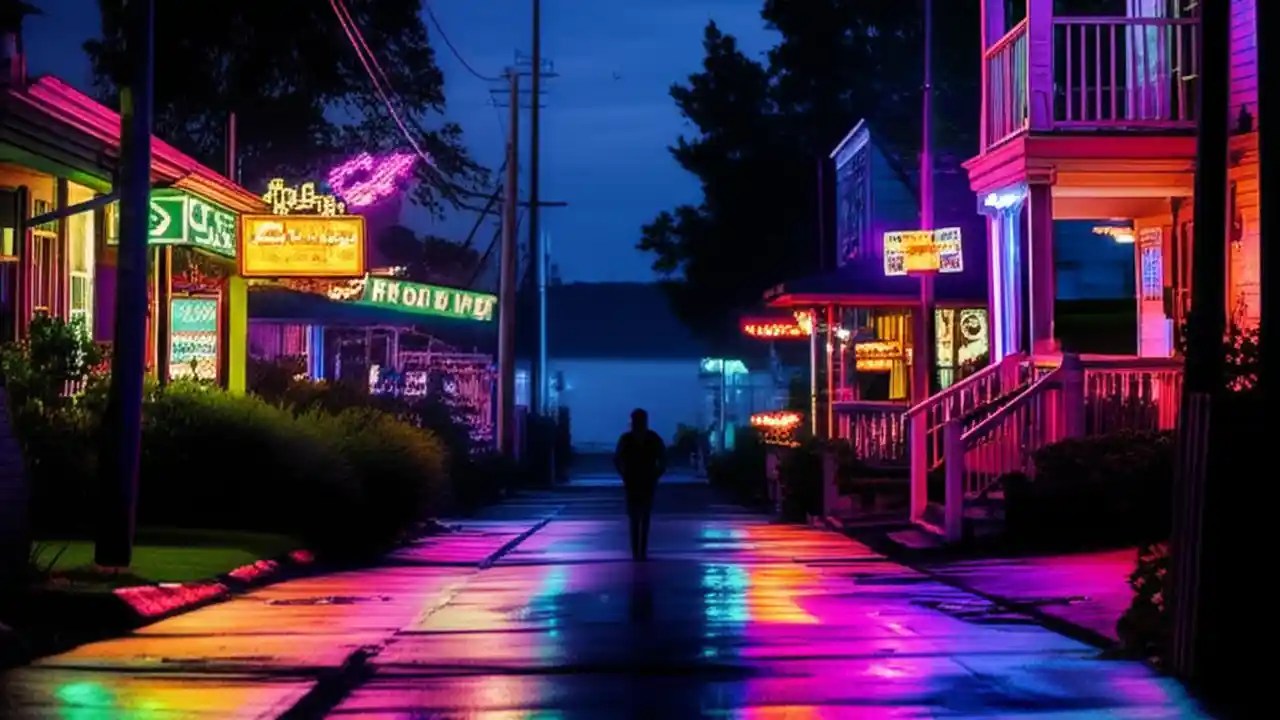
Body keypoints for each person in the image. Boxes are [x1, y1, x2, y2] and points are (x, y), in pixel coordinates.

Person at [614, 408, 666, 560]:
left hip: (638, 480)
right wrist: (656, 473)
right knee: (641, 516)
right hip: (639, 480)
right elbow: (663, 458)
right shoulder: (651, 438)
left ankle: (638, 550)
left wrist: (624, 474)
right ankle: (639, 550)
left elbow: (617, 459)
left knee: (638, 517)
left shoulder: (628, 439)